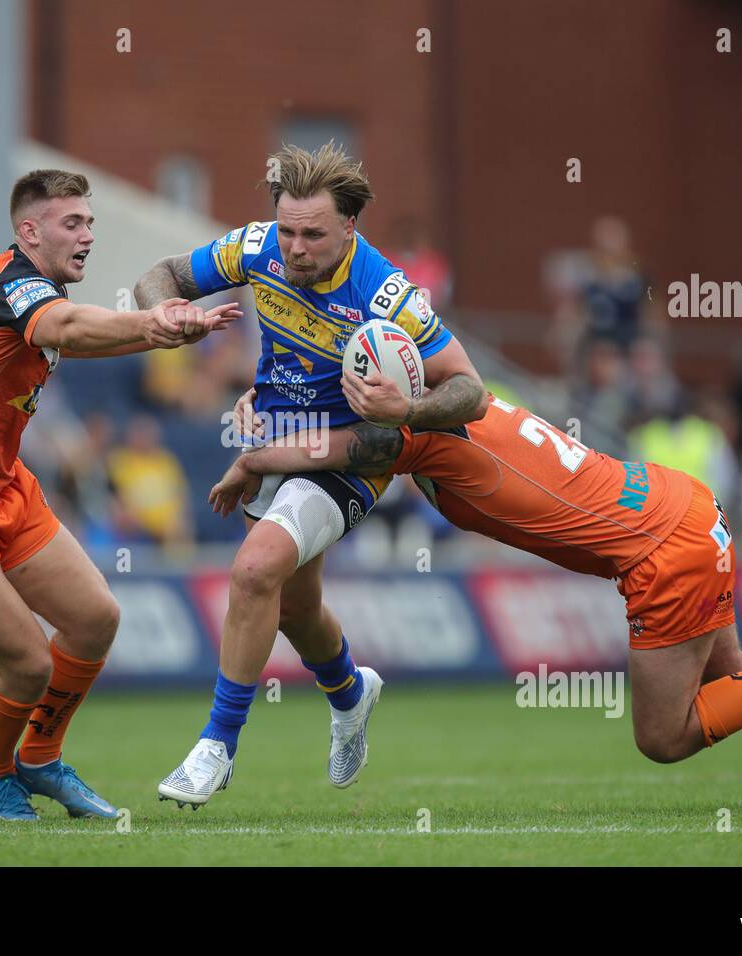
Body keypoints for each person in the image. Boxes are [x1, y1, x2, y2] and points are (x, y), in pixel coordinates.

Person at [210, 392, 742, 807]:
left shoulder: (408, 438)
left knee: (663, 737)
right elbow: (329, 416)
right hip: (679, 502)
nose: (359, 394)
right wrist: (268, 401)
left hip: (662, 550)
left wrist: (251, 447)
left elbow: (324, 448)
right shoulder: (459, 397)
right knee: (728, 667)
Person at [0, 169, 239, 820]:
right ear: (29, 231)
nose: (88, 235)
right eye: (73, 223)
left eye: (91, 222)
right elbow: (65, 326)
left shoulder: (30, 293)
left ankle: (37, 760)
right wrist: (153, 324)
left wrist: (152, 325)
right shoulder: (16, 284)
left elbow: (65, 332)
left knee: (96, 619)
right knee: (29, 663)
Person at [135, 143, 487, 806]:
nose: (295, 248)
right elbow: (161, 274)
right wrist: (168, 313)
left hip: (350, 454)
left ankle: (217, 746)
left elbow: (472, 390)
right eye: (288, 230)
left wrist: (406, 408)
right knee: (295, 605)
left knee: (252, 569)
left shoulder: (385, 293)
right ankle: (351, 693)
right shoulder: (257, 246)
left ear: (350, 229)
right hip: (272, 431)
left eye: (314, 235)